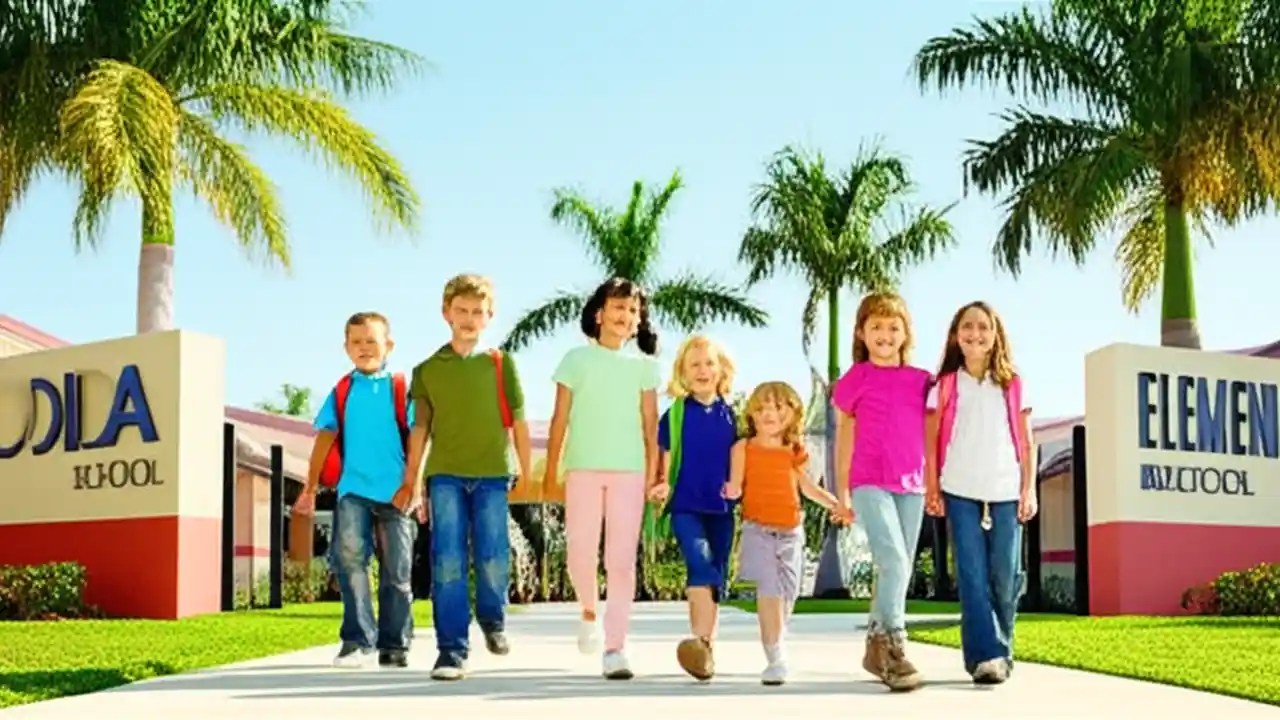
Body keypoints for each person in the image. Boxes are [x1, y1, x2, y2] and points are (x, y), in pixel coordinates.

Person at [404, 274, 533, 681]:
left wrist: (527, 472)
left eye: (478, 312)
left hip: (494, 474)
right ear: (446, 313)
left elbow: (519, 422)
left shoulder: (500, 363)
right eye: (461, 310)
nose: (469, 318)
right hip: (444, 476)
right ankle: (451, 651)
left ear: (489, 316)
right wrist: (412, 481)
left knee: (493, 556)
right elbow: (420, 430)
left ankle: (493, 621)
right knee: (448, 561)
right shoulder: (426, 370)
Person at [544, 277, 662, 680]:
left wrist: (653, 474)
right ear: (599, 313)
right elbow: (560, 419)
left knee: (621, 561)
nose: (625, 316)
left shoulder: (646, 367)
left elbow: (650, 427)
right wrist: (548, 472)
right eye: (618, 307)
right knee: (579, 551)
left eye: (633, 311)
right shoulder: (575, 360)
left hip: (630, 471)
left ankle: (615, 648)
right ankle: (589, 610)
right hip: (582, 468)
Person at [292, 311, 420, 669]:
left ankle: (395, 644)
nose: (364, 348)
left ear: (388, 345)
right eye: (356, 342)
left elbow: (420, 441)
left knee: (398, 572)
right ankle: (357, 640)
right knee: (350, 563)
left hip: (396, 495)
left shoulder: (400, 387)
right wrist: (310, 486)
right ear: (346, 347)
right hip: (352, 491)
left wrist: (416, 485)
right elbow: (325, 437)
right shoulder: (342, 390)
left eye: (371, 341)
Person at [924, 300, 1036, 685]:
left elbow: (1026, 440)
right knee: (971, 575)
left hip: (1005, 490)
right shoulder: (945, 384)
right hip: (959, 489)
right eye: (967, 327)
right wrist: (933, 487)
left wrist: (1028, 488)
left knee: (1005, 575)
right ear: (956, 335)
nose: (975, 333)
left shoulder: (1012, 382)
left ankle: (1002, 651)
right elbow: (932, 437)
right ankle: (985, 657)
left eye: (983, 327)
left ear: (995, 334)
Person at [832, 291, 932, 692]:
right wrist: (841, 492)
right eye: (876, 326)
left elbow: (935, 431)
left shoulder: (922, 381)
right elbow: (843, 438)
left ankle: (876, 643)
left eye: (894, 327)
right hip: (869, 480)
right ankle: (894, 644)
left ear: (906, 333)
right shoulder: (855, 379)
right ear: (861, 332)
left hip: (913, 484)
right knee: (893, 560)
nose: (885, 334)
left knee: (901, 567)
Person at [724, 381, 852, 686]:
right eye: (761, 408)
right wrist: (727, 492)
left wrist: (837, 504)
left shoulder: (794, 451)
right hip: (757, 530)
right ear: (751, 415)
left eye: (777, 407)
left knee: (788, 594)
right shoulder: (743, 448)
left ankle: (777, 639)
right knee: (769, 590)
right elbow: (735, 485)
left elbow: (807, 487)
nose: (768, 413)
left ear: (792, 414)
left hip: (791, 532)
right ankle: (775, 658)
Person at [648, 334, 739, 681]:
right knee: (699, 565)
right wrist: (661, 486)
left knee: (715, 575)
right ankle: (699, 642)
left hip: (722, 508)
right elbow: (668, 463)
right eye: (694, 365)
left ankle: (706, 648)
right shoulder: (675, 415)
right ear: (683, 374)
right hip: (686, 505)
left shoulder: (732, 416)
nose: (703, 370)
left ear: (721, 370)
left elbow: (740, 461)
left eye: (709, 363)